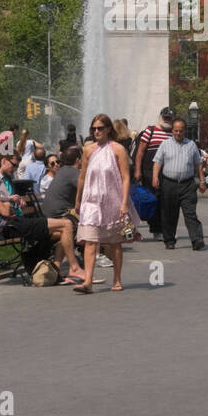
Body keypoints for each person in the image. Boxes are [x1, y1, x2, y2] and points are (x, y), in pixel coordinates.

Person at [0, 157, 87, 286]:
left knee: (62, 232)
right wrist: (7, 203)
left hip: (13, 225)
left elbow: (3, 209)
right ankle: (74, 268)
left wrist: (4, 203)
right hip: (11, 227)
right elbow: (5, 212)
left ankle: (56, 271)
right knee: (66, 224)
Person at [73, 114, 130, 293]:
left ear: (108, 130)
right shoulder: (88, 150)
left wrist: (124, 202)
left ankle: (117, 279)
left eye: (100, 128)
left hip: (112, 200)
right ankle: (88, 282)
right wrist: (78, 199)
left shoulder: (118, 149)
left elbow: (126, 177)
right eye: (94, 129)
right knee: (90, 241)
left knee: (114, 242)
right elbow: (82, 177)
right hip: (91, 202)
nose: (96, 132)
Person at [152, 116, 208, 250]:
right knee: (169, 214)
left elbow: (198, 164)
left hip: (187, 185)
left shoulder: (191, 145)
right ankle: (169, 240)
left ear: (185, 131)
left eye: (181, 131)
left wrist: (202, 181)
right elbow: (157, 162)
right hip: (169, 184)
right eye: (176, 131)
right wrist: (155, 177)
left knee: (190, 213)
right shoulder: (165, 144)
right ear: (172, 131)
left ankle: (197, 240)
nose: (178, 133)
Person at [133, 107, 176, 238]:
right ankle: (156, 230)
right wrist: (138, 170)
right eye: (165, 117)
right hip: (149, 172)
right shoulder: (150, 131)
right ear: (160, 117)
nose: (167, 120)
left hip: (168, 173)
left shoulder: (173, 133)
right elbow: (140, 152)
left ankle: (165, 229)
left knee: (167, 202)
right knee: (154, 201)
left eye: (169, 118)